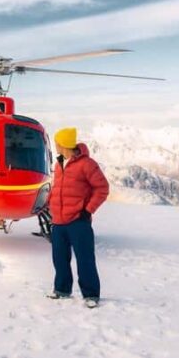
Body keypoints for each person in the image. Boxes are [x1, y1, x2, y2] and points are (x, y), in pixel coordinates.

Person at [46, 127, 109, 309]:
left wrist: (87, 210)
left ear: (64, 144)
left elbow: (102, 188)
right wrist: (51, 205)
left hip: (78, 221)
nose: (55, 145)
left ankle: (91, 295)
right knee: (59, 258)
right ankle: (62, 290)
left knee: (85, 259)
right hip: (58, 221)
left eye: (57, 142)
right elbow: (58, 188)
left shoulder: (87, 164)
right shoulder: (59, 164)